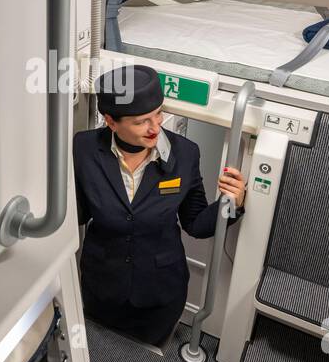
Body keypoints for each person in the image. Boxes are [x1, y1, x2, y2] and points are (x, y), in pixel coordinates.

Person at [72, 64, 246, 346]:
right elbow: (78, 214)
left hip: (159, 292)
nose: (156, 127)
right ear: (111, 121)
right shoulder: (84, 148)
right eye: (141, 121)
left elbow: (196, 223)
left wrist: (231, 204)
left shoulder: (185, 154)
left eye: (158, 114)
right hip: (101, 285)